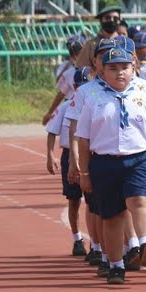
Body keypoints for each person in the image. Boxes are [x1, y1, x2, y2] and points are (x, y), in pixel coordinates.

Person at [74, 47, 146, 285]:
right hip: (104, 162)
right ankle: (116, 265)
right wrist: (84, 173)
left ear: (133, 68)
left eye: (124, 67)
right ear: (102, 71)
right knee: (112, 217)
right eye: (113, 68)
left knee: (140, 201)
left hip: (139, 158)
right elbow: (84, 140)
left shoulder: (145, 97)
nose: (120, 73)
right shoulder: (93, 100)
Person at [46, 66, 93, 256]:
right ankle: (77, 240)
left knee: (94, 201)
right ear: (74, 86)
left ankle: (96, 244)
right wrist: (50, 155)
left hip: (91, 155)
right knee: (74, 200)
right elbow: (51, 131)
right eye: (80, 86)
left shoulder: (95, 105)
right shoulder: (65, 107)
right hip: (69, 155)